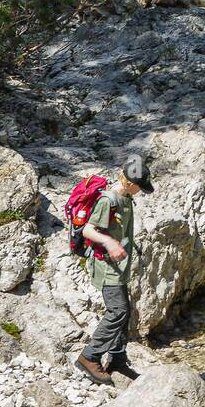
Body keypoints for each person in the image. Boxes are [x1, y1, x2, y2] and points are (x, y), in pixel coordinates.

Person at [74, 154, 153, 386]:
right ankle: (90, 356)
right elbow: (88, 231)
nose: (142, 190)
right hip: (106, 266)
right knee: (117, 311)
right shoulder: (108, 200)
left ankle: (117, 359)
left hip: (119, 267)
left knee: (124, 311)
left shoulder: (126, 197)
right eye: (141, 186)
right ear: (129, 182)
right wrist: (109, 242)